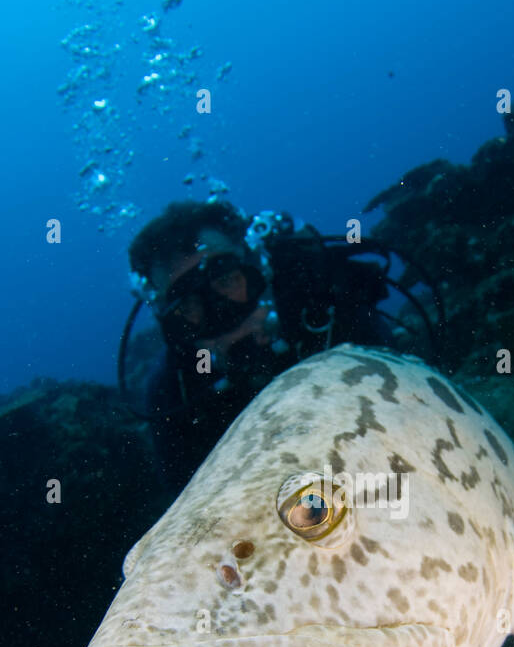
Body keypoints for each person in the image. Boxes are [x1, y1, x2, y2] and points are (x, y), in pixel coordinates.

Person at [127, 199, 394, 493]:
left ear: (258, 267)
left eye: (227, 279)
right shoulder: (173, 391)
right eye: (190, 304)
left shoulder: (325, 304)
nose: (223, 315)